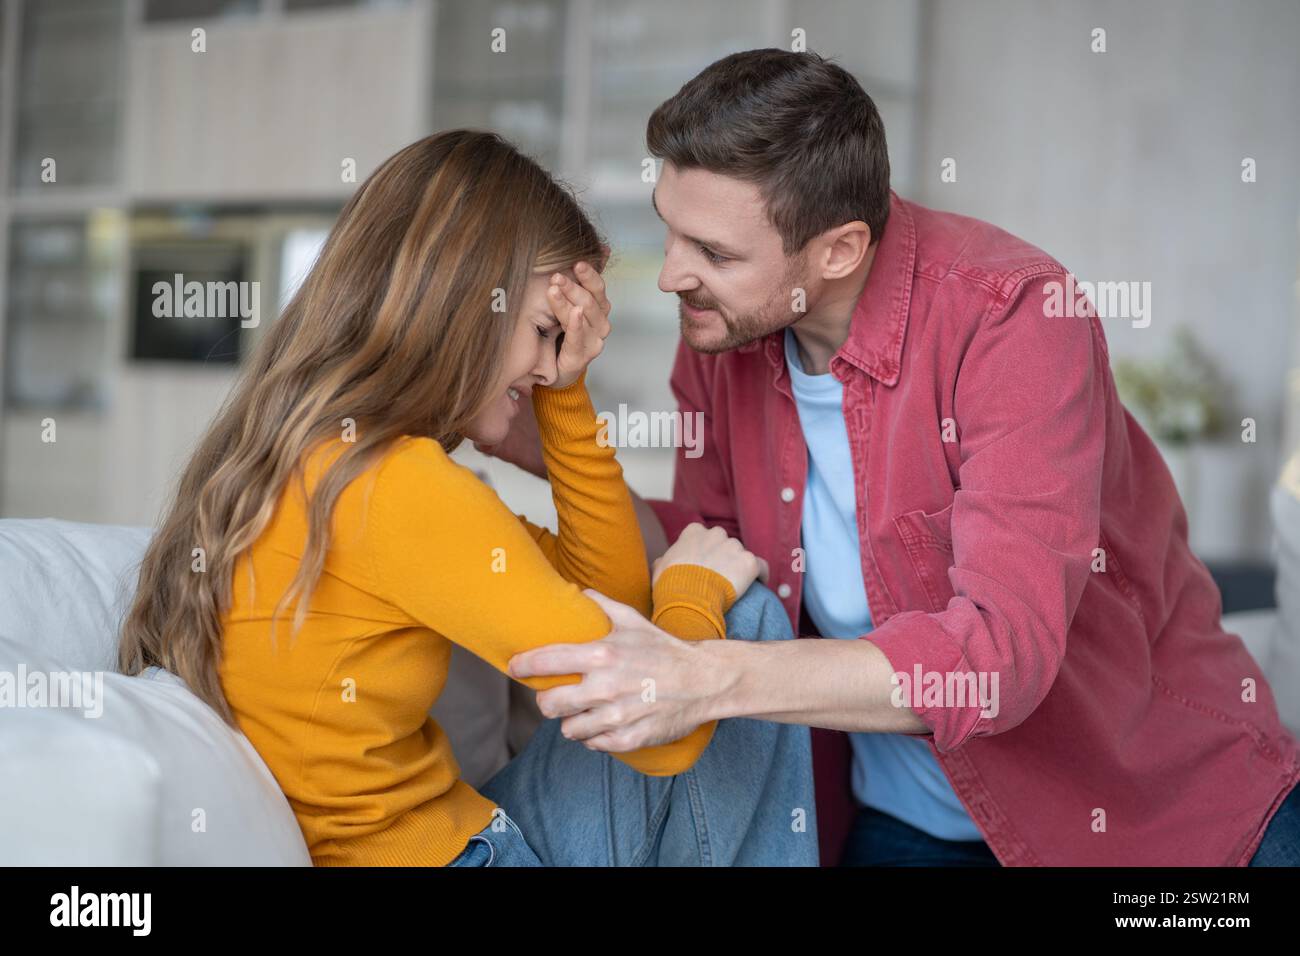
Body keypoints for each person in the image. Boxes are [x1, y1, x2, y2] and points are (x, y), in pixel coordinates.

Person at [480, 49, 1300, 866]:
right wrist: (540, 446)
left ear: (838, 251)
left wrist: (707, 679)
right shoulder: (726, 333)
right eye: (668, 228)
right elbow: (716, 547)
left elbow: (997, 660)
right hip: (904, 820)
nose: (669, 276)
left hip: (1150, 817)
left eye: (714, 253)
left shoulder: (1013, 318)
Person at [116, 129, 818, 867]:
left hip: (449, 840)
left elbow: (613, 600)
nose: (550, 371)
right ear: (466, 304)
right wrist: (693, 588)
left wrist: (567, 398)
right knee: (745, 618)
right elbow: (662, 735)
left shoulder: (310, 454)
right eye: (547, 333)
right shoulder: (398, 486)